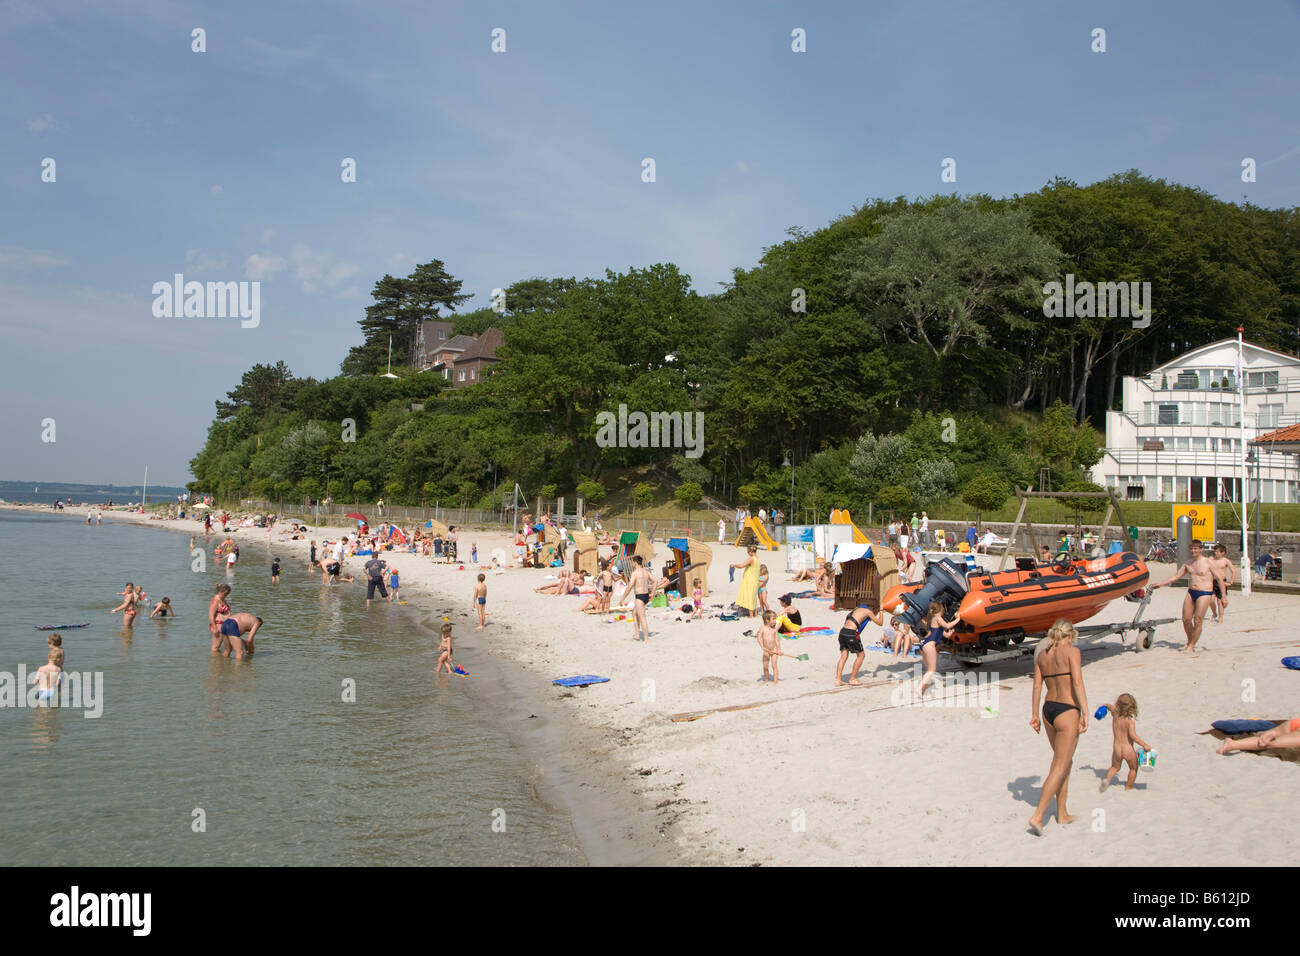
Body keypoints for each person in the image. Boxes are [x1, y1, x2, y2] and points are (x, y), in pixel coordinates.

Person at [1028, 619, 1088, 836]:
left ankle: (1062, 813)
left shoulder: (1043, 655)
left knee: (1064, 762)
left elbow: (1036, 686)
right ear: (1070, 636)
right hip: (1067, 710)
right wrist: (1086, 712)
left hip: (1048, 710)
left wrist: (1035, 714)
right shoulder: (1072, 652)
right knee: (1060, 765)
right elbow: (1078, 683)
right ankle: (1038, 816)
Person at [1148, 539, 1223, 652]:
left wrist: (1223, 597)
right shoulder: (1188, 563)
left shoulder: (1208, 562)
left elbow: (1219, 579)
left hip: (1205, 593)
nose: (1193, 551)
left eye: (1196, 548)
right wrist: (1160, 584)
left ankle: (1192, 645)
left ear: (1201, 549)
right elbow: (1176, 576)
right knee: (1186, 620)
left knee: (1197, 620)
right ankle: (1189, 641)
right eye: (1192, 549)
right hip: (1191, 592)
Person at [1100, 694, 1150, 792]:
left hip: (1117, 748)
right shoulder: (1129, 722)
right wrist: (1144, 745)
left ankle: (1106, 780)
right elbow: (1133, 736)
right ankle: (1128, 787)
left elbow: (1111, 708)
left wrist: (1106, 705)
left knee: (1114, 767)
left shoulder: (1115, 714)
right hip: (1128, 749)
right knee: (1133, 768)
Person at [918, 602, 959, 696]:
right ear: (941, 610)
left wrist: (951, 632)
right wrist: (958, 619)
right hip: (929, 645)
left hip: (924, 644)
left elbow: (946, 634)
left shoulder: (934, 619)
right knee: (932, 670)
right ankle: (919, 689)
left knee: (929, 670)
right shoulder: (937, 617)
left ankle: (925, 690)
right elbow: (948, 626)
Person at [836, 604, 883, 685]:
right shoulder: (868, 611)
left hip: (842, 632)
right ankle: (853, 679)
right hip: (851, 633)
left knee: (843, 657)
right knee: (861, 655)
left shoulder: (856, 609)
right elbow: (880, 623)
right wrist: (881, 611)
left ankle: (838, 679)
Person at [1216, 717, 1300, 754]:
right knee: (1271, 742)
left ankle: (1269, 732)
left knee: (1270, 735)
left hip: (1295, 722)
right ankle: (1232, 744)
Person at [627, 555, 657, 642]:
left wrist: (623, 598)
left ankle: (646, 639)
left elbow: (630, 586)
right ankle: (637, 634)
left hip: (639, 597)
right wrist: (652, 592)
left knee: (642, 617)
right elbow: (655, 581)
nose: (632, 563)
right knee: (634, 613)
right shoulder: (646, 572)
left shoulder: (635, 573)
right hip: (646, 595)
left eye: (632, 562)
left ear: (635, 562)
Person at [1208, 544, 1235, 623]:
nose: (1215, 553)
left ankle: (1220, 618)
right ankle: (1214, 613)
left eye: (1217, 552)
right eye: (1215, 551)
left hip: (1222, 581)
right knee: (1211, 600)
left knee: (1220, 601)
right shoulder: (1211, 559)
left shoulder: (1226, 561)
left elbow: (1233, 571)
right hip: (1212, 581)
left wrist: (1231, 582)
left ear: (1223, 553)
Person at [731, 546, 759, 617]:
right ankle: (755, 614)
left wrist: (734, 565)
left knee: (749, 597)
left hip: (750, 580)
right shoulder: (757, 558)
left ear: (750, 551)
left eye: (748, 552)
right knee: (753, 597)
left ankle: (751, 615)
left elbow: (741, 566)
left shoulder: (751, 559)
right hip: (755, 580)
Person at [756, 611, 782, 682]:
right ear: (767, 620)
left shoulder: (774, 630)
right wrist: (762, 646)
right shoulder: (763, 628)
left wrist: (779, 650)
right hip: (766, 651)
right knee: (765, 667)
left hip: (774, 650)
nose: (775, 621)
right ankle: (766, 680)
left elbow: (777, 640)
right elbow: (759, 638)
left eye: (775, 619)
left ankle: (775, 681)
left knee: (774, 666)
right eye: (773, 619)